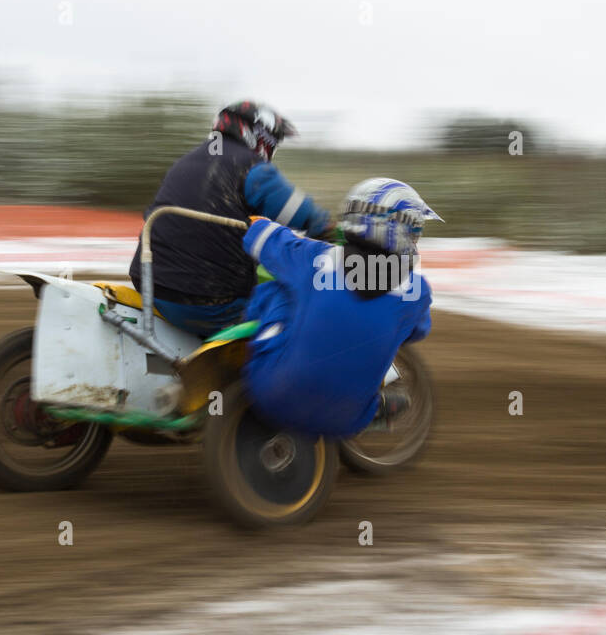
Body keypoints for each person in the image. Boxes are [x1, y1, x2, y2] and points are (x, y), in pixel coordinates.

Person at [239, 177, 440, 437]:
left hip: (270, 395)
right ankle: (375, 404)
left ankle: (246, 339)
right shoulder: (417, 290)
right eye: (414, 231)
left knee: (277, 290)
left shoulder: (315, 257)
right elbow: (418, 332)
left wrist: (256, 223)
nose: (415, 239)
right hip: (348, 422)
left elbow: (263, 239)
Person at [129, 100, 331, 337]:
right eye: (274, 140)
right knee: (292, 306)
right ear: (259, 135)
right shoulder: (251, 167)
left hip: (152, 286)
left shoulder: (188, 160)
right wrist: (331, 231)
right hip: (209, 303)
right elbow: (302, 214)